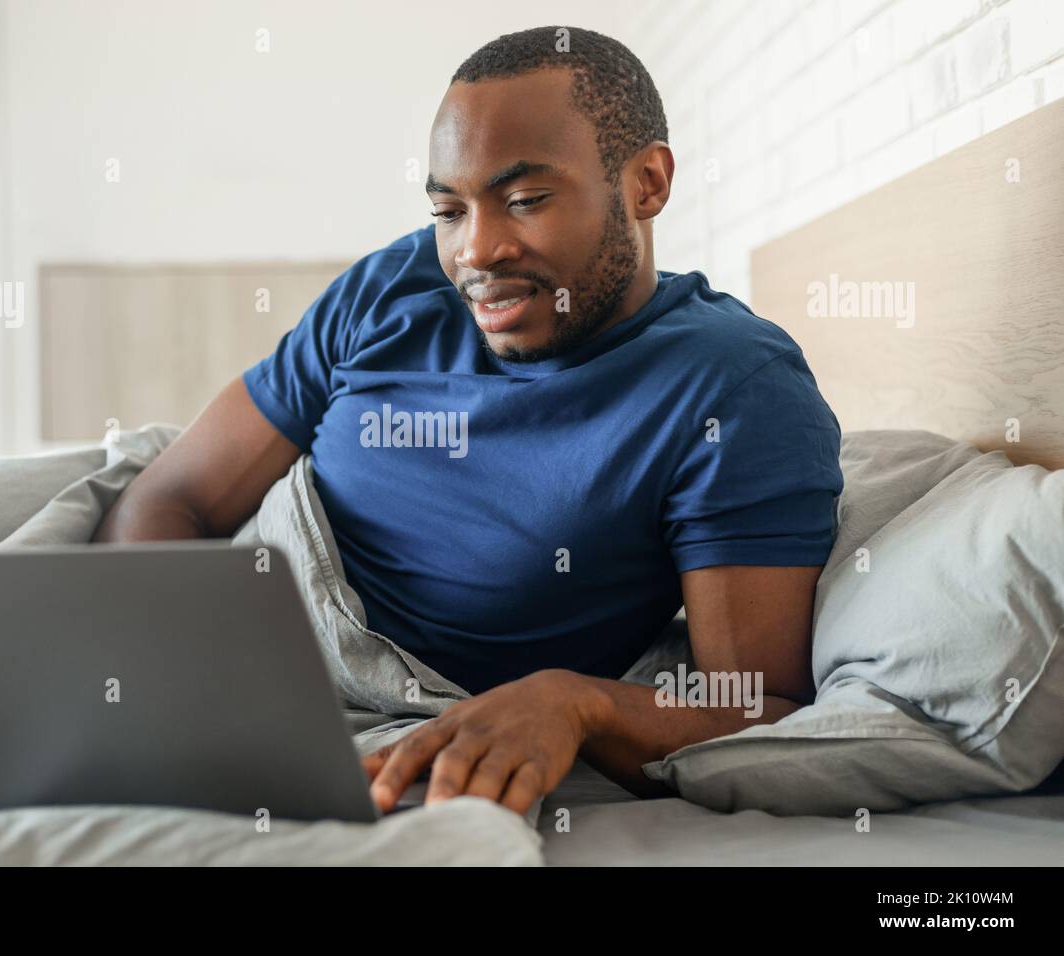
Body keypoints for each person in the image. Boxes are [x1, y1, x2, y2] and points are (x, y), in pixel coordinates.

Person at [94, 26, 844, 817]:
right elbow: (166, 497)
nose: (475, 251)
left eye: (524, 200)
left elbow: (758, 710)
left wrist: (574, 703)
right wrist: (170, 675)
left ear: (646, 184)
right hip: (223, 634)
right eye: (450, 210)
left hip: (387, 712)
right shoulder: (391, 286)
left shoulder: (731, 388)